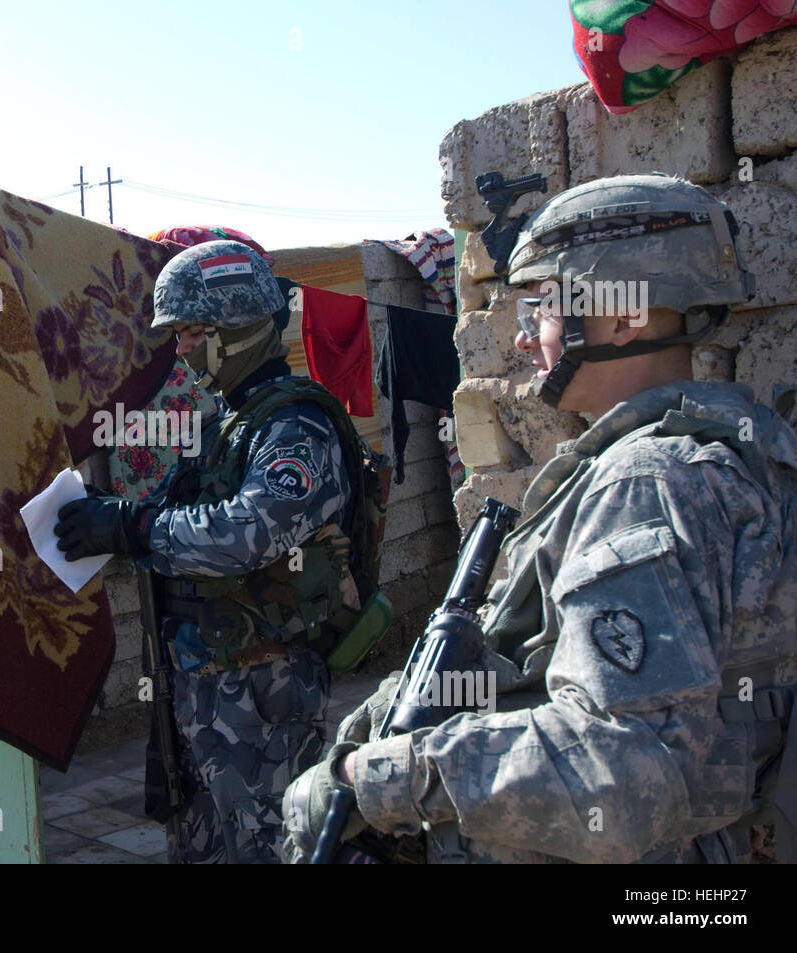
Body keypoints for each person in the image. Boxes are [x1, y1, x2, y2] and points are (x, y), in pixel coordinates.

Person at [283, 173, 797, 864]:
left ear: (624, 316)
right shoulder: (727, 446)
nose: (526, 341)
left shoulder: (646, 482)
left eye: (541, 309)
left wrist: (381, 780)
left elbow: (625, 766)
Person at [55, 240, 363, 863]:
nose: (182, 350)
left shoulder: (296, 426)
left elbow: (249, 533)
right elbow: (177, 515)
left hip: (262, 687)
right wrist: (108, 513)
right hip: (202, 678)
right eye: (179, 335)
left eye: (193, 333)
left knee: (271, 848)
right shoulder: (230, 423)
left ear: (240, 328)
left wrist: (133, 528)